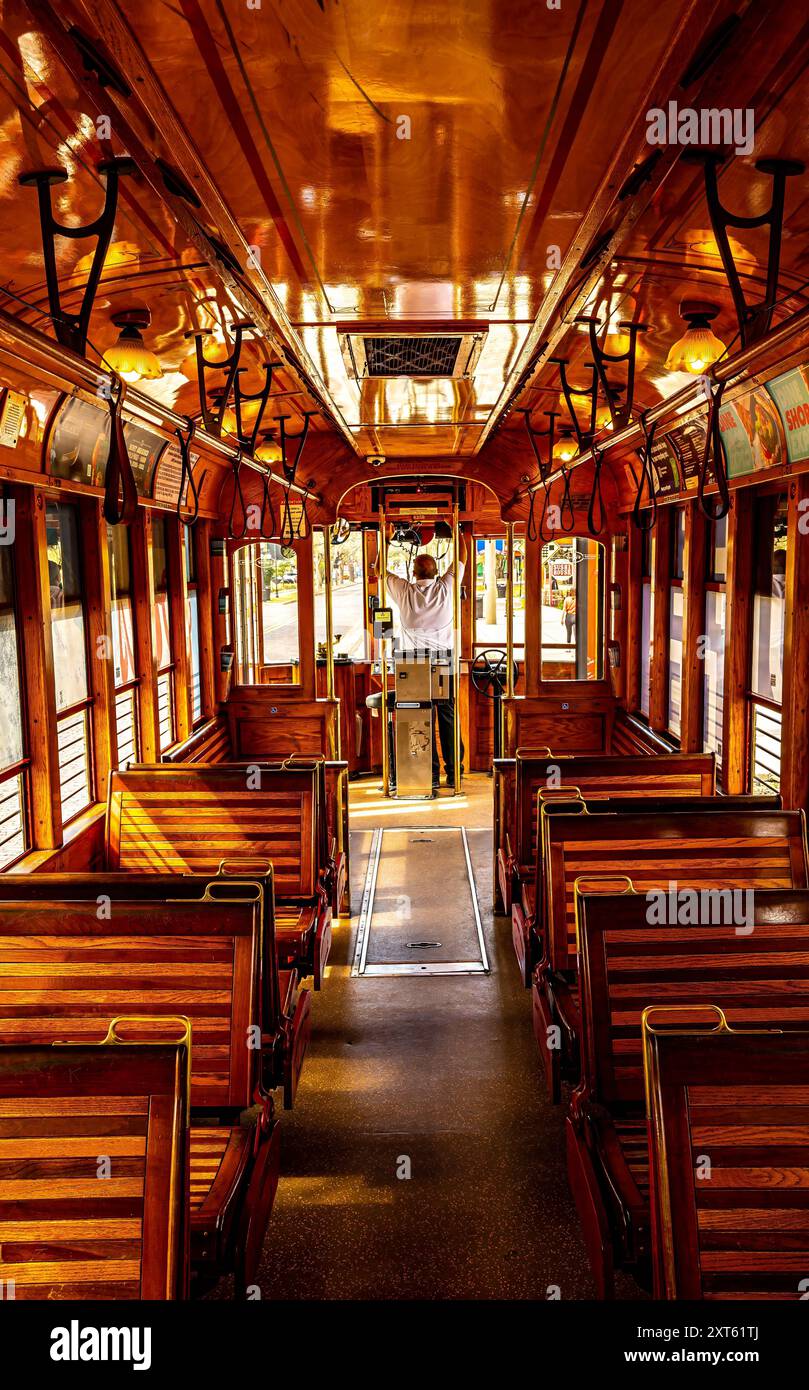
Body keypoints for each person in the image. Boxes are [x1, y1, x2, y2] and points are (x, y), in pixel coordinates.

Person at [381, 527, 467, 789]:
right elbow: (462, 556)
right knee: (447, 717)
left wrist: (385, 537)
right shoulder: (446, 588)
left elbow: (378, 570)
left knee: (419, 717)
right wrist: (457, 528)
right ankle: (453, 774)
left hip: (413, 663)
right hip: (443, 661)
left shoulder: (404, 591)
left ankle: (426, 775)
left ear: (413, 574)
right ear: (437, 573)